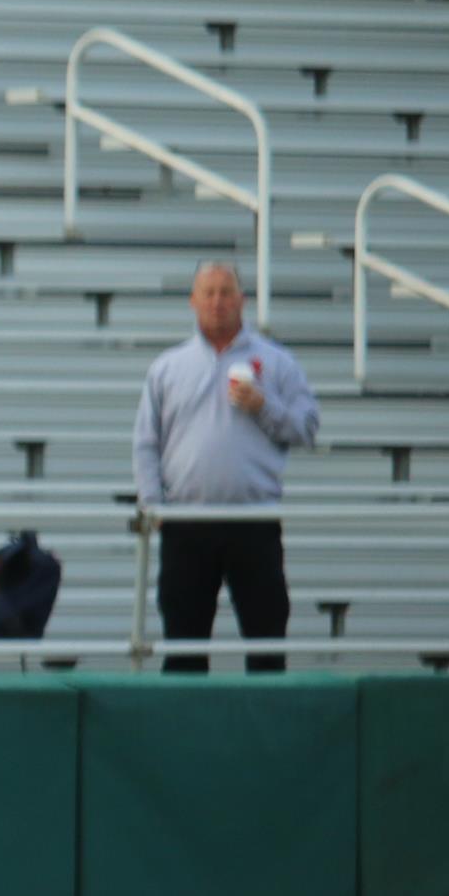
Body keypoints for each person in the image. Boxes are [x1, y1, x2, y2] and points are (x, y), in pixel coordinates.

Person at [133, 260, 320, 673]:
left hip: (254, 521)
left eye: (226, 292)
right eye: (209, 293)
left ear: (242, 300)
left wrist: (264, 406)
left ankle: (267, 716)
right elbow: (146, 443)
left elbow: (307, 427)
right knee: (183, 648)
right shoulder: (167, 368)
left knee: (267, 643)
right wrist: (154, 505)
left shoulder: (277, 363)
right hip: (186, 523)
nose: (217, 302)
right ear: (193, 301)